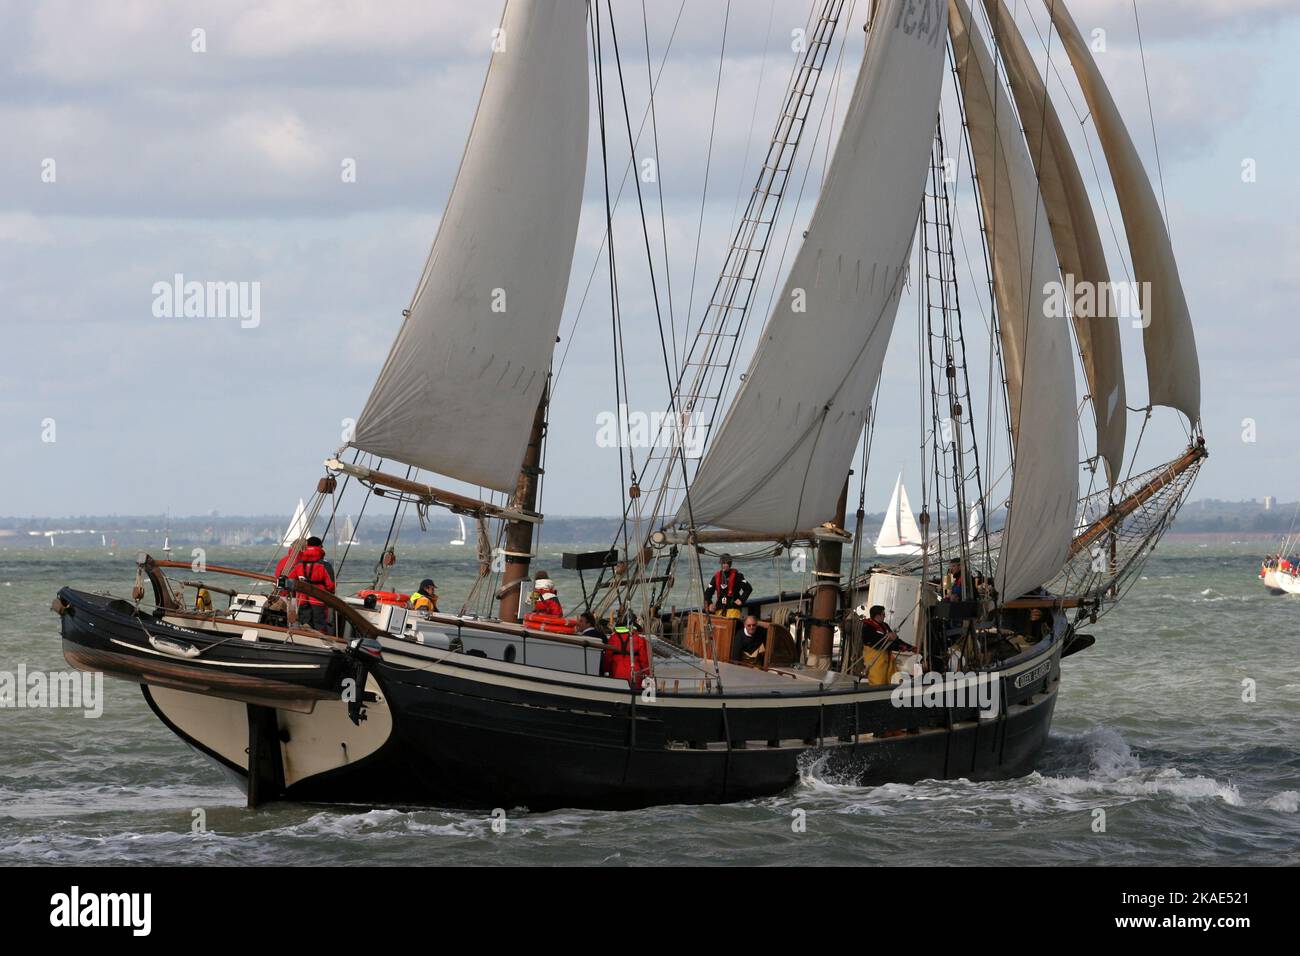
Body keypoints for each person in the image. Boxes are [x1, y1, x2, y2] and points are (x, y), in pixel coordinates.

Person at [857, 604, 913, 685]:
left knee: (892, 680)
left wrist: (909, 647)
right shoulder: (867, 627)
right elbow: (877, 642)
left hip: (887, 659)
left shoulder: (885, 626)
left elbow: (895, 640)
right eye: (883, 614)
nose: (885, 616)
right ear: (877, 615)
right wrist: (897, 645)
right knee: (878, 682)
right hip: (875, 661)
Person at [288, 539, 336, 633]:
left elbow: (290, 579)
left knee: (305, 624)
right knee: (320, 625)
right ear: (319, 547)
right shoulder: (324, 565)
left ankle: (305, 640)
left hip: (302, 599)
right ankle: (321, 643)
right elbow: (331, 585)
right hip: (319, 599)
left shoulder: (299, 564)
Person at [603, 614, 650, 688]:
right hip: (634, 676)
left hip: (616, 675)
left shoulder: (612, 638)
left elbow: (607, 659)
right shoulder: (639, 640)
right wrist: (648, 676)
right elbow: (645, 662)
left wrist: (606, 670)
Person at [704, 554, 752, 619]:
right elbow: (707, 593)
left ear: (730, 564)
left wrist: (741, 599)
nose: (724, 565)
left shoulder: (738, 576)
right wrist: (710, 604)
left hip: (733, 608)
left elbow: (748, 589)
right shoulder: (716, 577)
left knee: (732, 625)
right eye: (722, 563)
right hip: (720, 608)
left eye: (726, 563)